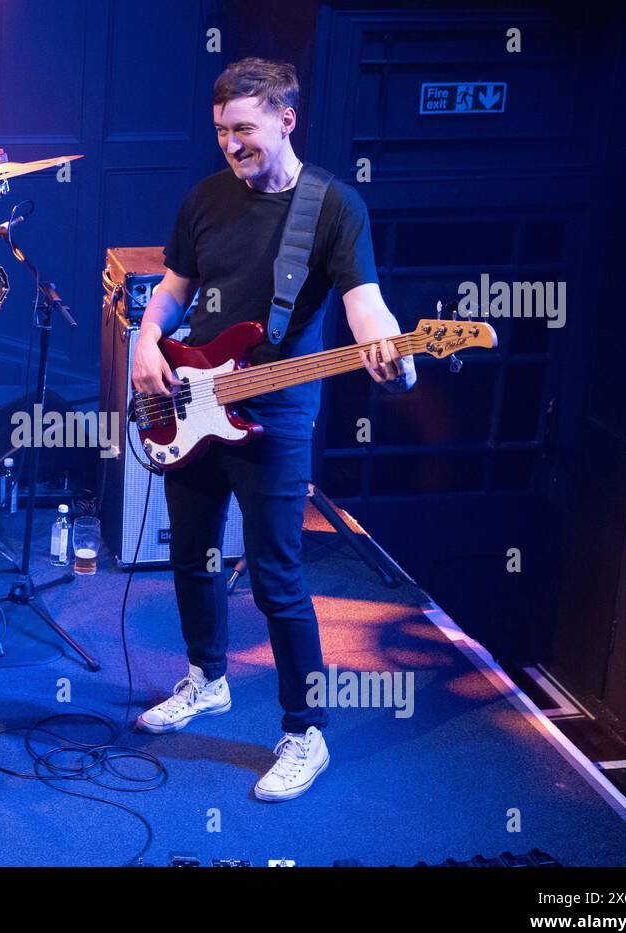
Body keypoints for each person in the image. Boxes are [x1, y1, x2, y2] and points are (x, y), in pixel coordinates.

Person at [130, 58, 415, 802]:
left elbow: (365, 304)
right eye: (222, 130)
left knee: (276, 574)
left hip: (278, 409)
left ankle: (305, 731)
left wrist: (388, 345)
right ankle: (207, 679)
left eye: (245, 130)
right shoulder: (204, 199)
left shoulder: (332, 207)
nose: (231, 144)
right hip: (196, 396)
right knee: (189, 556)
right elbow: (171, 292)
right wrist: (142, 340)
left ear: (288, 119)